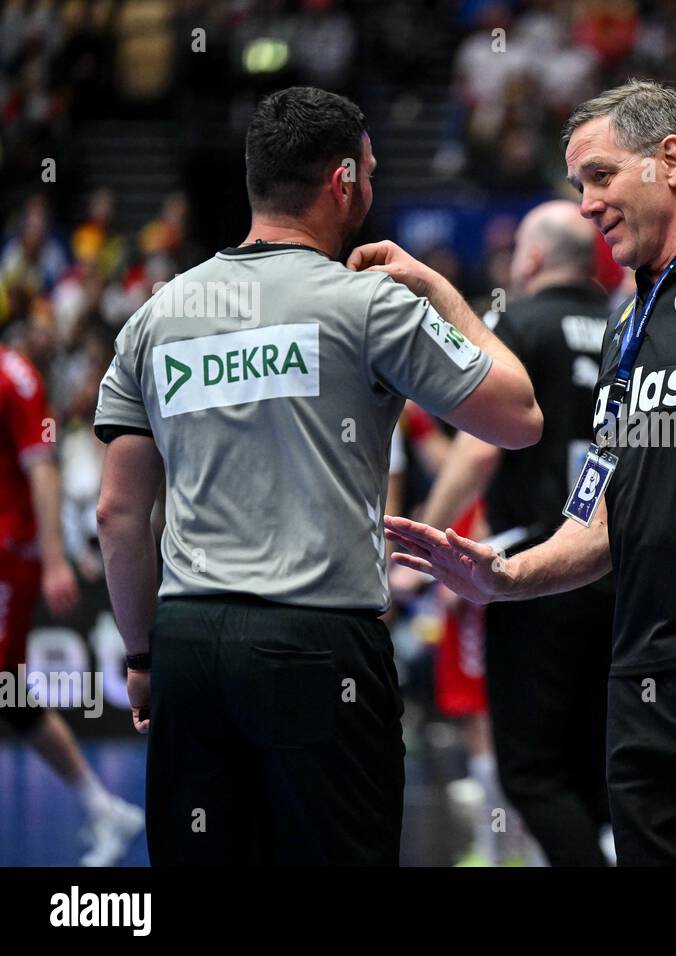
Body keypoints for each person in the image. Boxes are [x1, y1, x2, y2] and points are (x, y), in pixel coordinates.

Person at [386, 79, 676, 866]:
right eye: (578, 187)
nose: (585, 205)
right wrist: (503, 576)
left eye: (601, 177)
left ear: (670, 160)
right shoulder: (627, 324)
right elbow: (598, 519)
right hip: (641, 671)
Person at [92, 86, 541, 865]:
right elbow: (519, 415)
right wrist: (440, 292)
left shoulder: (155, 318)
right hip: (319, 647)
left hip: (191, 648)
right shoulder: (369, 303)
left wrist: (140, 658)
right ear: (343, 183)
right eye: (368, 170)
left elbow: (118, 514)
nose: (371, 185)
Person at [417, 199, 614, 867]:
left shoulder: (514, 326)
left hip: (536, 573)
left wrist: (425, 535)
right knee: (590, 763)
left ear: (529, 261)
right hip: (615, 570)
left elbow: (478, 450)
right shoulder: (629, 326)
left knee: (530, 771)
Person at [1, 318, 144, 866]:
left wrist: (55, 558)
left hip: (10, 556)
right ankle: (103, 809)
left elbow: (44, 470)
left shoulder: (15, 377)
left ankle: (103, 808)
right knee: (9, 696)